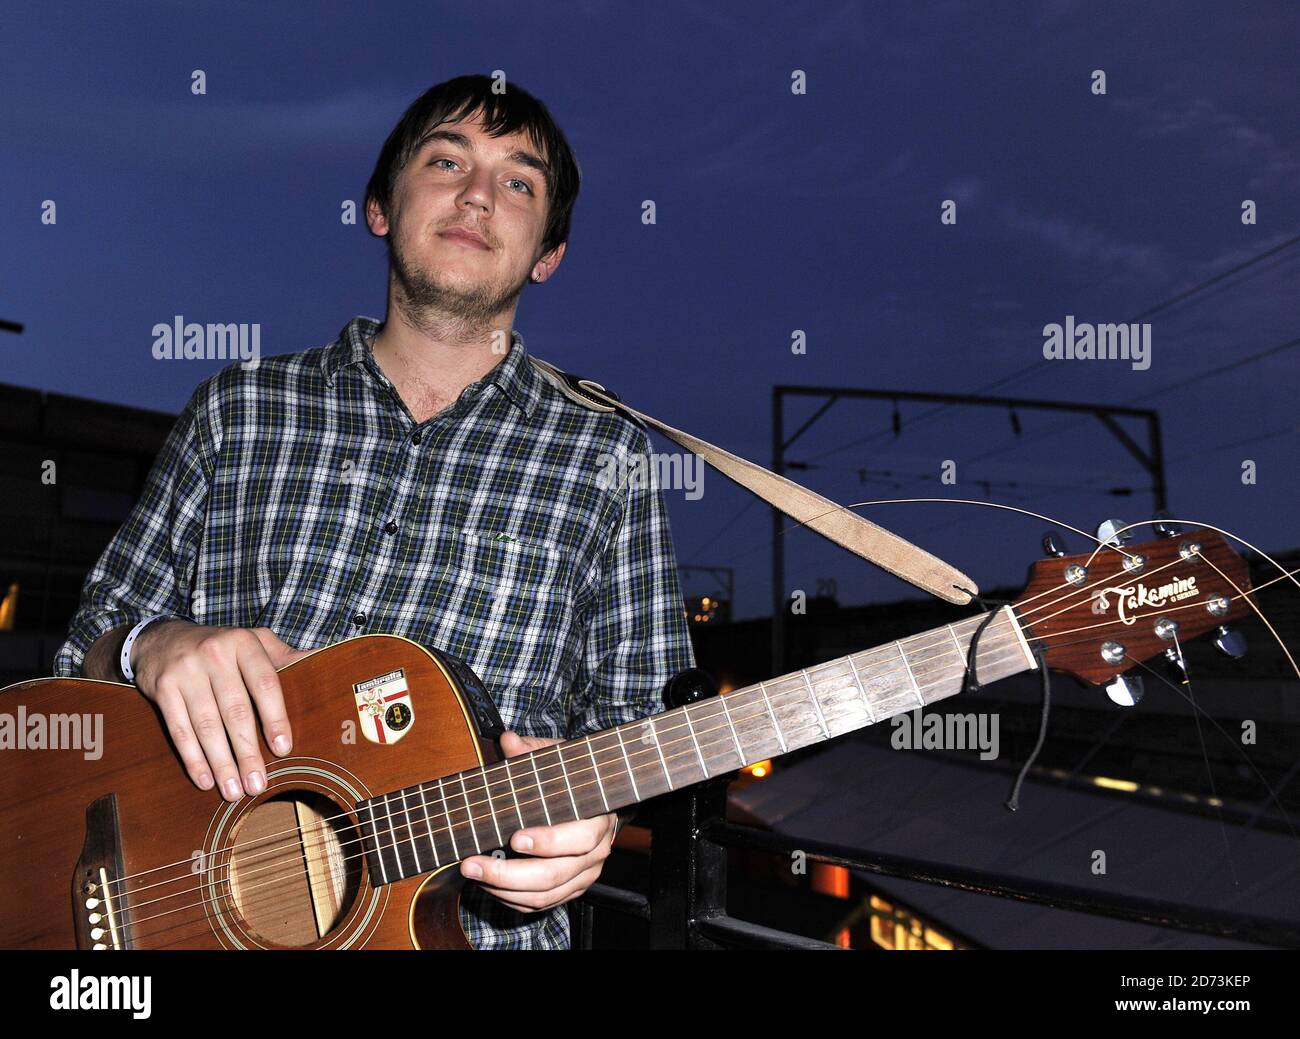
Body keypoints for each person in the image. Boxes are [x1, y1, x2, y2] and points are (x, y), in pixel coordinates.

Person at [53, 73, 696, 950]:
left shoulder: (609, 456)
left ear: (548, 253)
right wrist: (150, 644)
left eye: (519, 181)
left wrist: (595, 827)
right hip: (177, 921)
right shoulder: (237, 406)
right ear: (379, 208)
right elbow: (84, 644)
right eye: (446, 160)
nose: (478, 193)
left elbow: (640, 720)